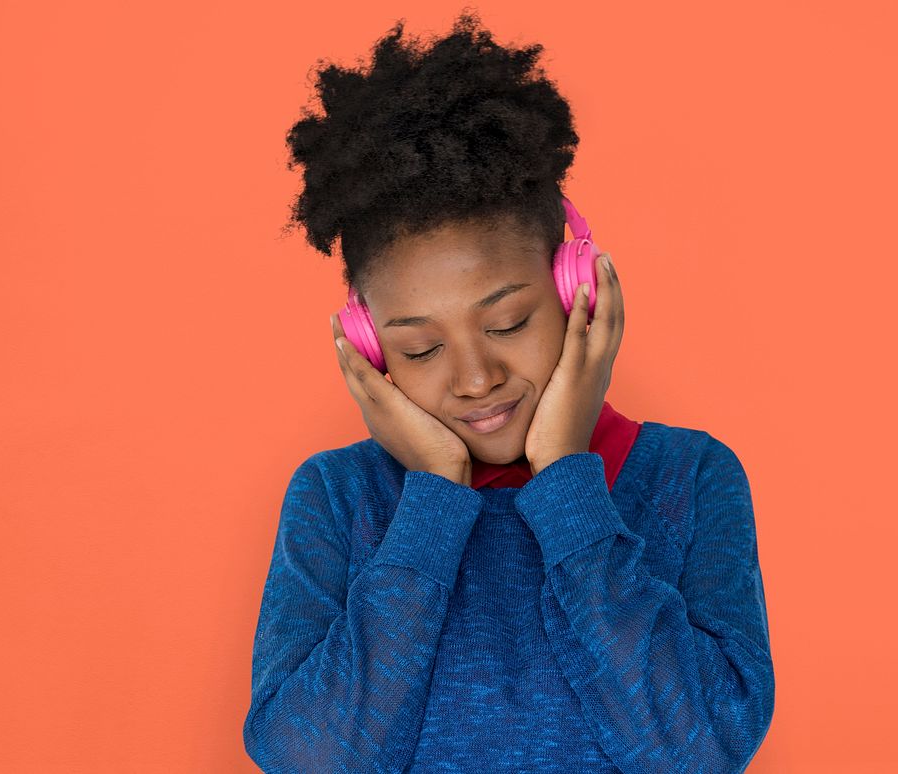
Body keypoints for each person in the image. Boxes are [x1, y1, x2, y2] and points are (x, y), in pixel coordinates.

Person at [244, 12, 774, 773]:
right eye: (420, 348)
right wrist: (431, 497)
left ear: (577, 290)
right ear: (368, 347)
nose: (474, 378)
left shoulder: (690, 479)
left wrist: (564, 479)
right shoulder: (338, 497)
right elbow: (312, 758)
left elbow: (697, 751)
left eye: (509, 321)